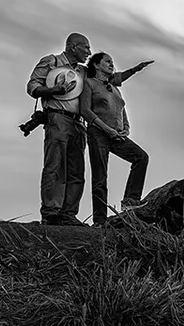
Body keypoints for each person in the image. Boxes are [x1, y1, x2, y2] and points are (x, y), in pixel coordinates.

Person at [26, 33, 151, 225]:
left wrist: (135, 69)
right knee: (55, 166)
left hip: (79, 123)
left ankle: (68, 214)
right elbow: (32, 86)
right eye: (86, 48)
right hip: (58, 117)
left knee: (77, 171)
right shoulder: (52, 62)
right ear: (73, 46)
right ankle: (51, 212)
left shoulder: (84, 72)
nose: (89, 52)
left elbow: (113, 79)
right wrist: (53, 91)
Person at [79, 51, 154, 228]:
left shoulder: (114, 87)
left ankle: (130, 199)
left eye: (112, 61)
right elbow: (85, 111)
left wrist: (126, 128)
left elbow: (121, 108)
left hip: (117, 135)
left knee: (141, 157)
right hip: (98, 133)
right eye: (107, 61)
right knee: (100, 178)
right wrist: (107, 129)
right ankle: (99, 221)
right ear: (96, 65)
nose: (111, 64)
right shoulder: (89, 84)